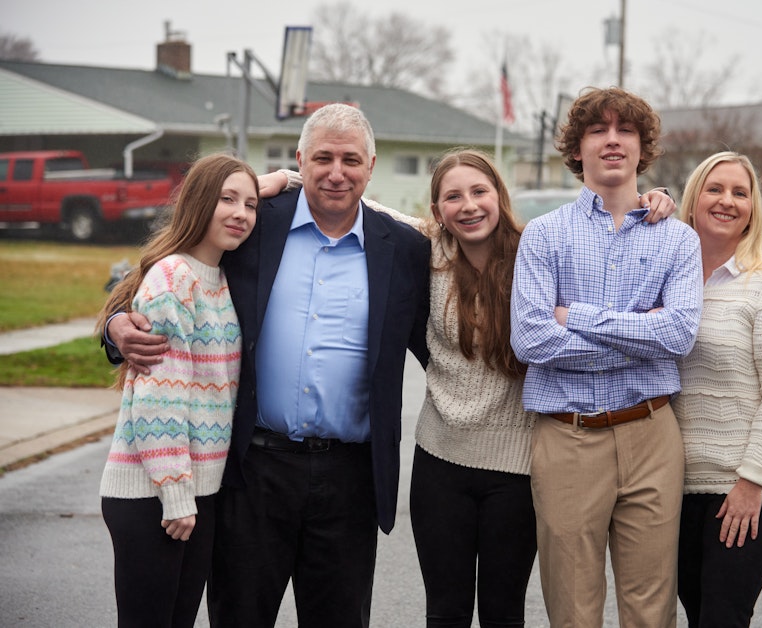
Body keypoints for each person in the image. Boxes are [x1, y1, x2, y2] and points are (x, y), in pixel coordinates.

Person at [266, 147, 676, 627]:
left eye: (479, 191)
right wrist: (283, 178)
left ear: (499, 196)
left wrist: (653, 199)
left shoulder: (536, 251)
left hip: (518, 464)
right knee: (446, 611)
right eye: (452, 197)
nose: (469, 206)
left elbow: (600, 241)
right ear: (438, 209)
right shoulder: (426, 250)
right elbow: (360, 203)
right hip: (441, 461)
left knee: (503, 612)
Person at [106, 103, 431, 628]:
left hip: (350, 477)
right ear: (301, 159)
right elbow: (171, 259)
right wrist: (116, 323)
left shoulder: (406, 250)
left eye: (351, 160)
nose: (336, 172)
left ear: (370, 167)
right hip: (253, 471)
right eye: (322, 158)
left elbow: (447, 337)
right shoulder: (255, 223)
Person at [509, 86, 703, 628]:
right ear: (577, 150)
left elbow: (679, 336)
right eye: (598, 130)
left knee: (651, 609)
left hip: (651, 437)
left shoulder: (678, 241)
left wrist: (578, 317)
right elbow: (531, 340)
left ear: (644, 149)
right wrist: (640, 335)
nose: (612, 141)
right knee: (573, 609)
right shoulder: (544, 236)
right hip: (567, 439)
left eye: (626, 131)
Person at [97, 153, 258, 627]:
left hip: (194, 492)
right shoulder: (174, 279)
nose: (241, 214)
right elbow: (160, 400)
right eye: (227, 199)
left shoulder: (221, 279)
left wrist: (275, 180)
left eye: (250, 204)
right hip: (153, 495)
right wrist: (175, 493)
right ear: (199, 202)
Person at [672, 151, 762, 627]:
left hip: (749, 487)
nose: (727, 201)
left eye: (740, 192)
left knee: (723, 617)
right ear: (693, 200)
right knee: (697, 614)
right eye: (715, 189)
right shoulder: (672, 280)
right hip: (679, 485)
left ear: (753, 208)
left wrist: (751, 482)